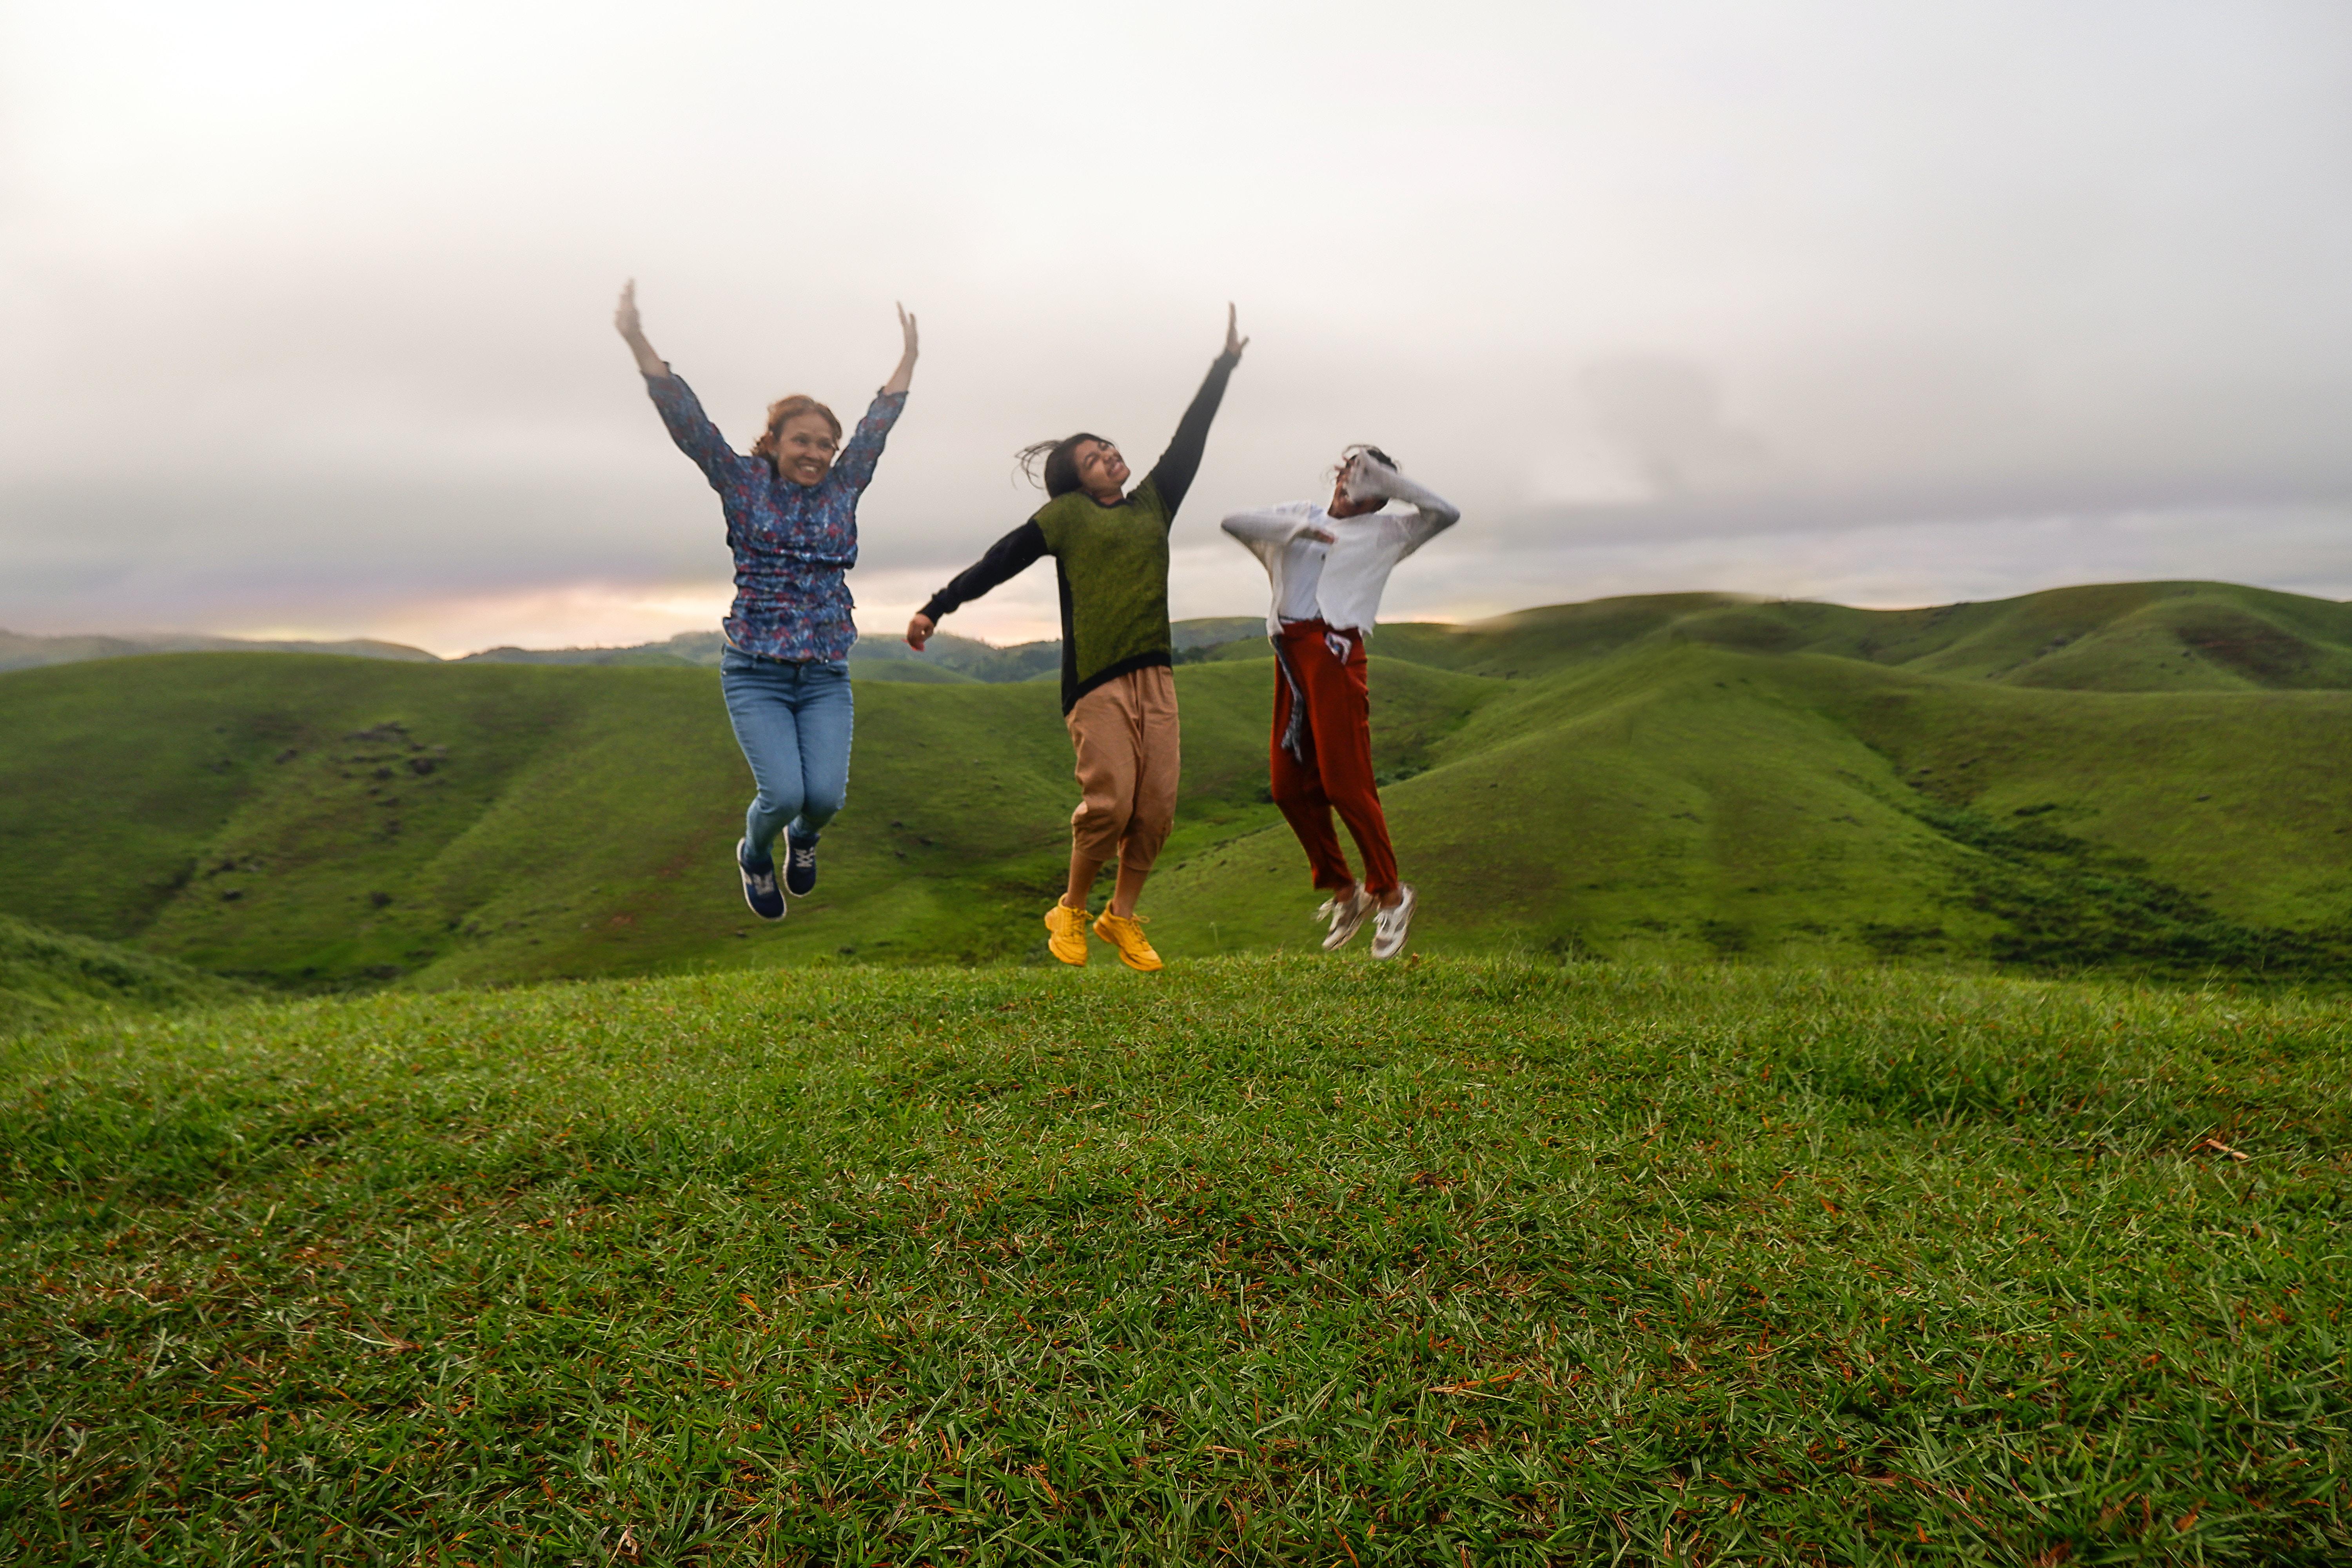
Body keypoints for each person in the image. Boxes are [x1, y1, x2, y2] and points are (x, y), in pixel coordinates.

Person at [905, 307, 1248, 971]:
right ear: (1077, 479)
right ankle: (1070, 908)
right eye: (1093, 458)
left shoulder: (1153, 503)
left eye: (1109, 448)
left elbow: (1190, 439)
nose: (1109, 457)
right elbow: (999, 559)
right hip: (1096, 680)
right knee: (1110, 800)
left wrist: (1223, 366)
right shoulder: (1063, 518)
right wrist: (937, 607)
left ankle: (1121, 918)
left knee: (1156, 809)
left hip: (1158, 674)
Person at [614, 280, 918, 922]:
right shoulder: (742, 483)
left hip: (827, 673)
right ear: (775, 442)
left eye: (824, 444)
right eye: (801, 441)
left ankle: (801, 846)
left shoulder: (845, 488)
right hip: (756, 671)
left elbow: (879, 427)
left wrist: (909, 357)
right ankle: (756, 853)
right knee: (781, 794)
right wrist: (638, 340)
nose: (814, 453)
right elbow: (687, 421)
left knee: (825, 801)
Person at [1220, 446, 1459, 958]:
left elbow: (1446, 513)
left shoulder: (1389, 533)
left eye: (1366, 481)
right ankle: (1344, 889)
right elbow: (1232, 521)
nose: (1350, 483)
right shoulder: (1299, 516)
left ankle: (1391, 894)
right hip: (1290, 655)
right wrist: (1297, 533)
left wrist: (1390, 482)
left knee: (1345, 784)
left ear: (1382, 498)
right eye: (1350, 471)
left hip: (1336, 653)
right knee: (1288, 788)